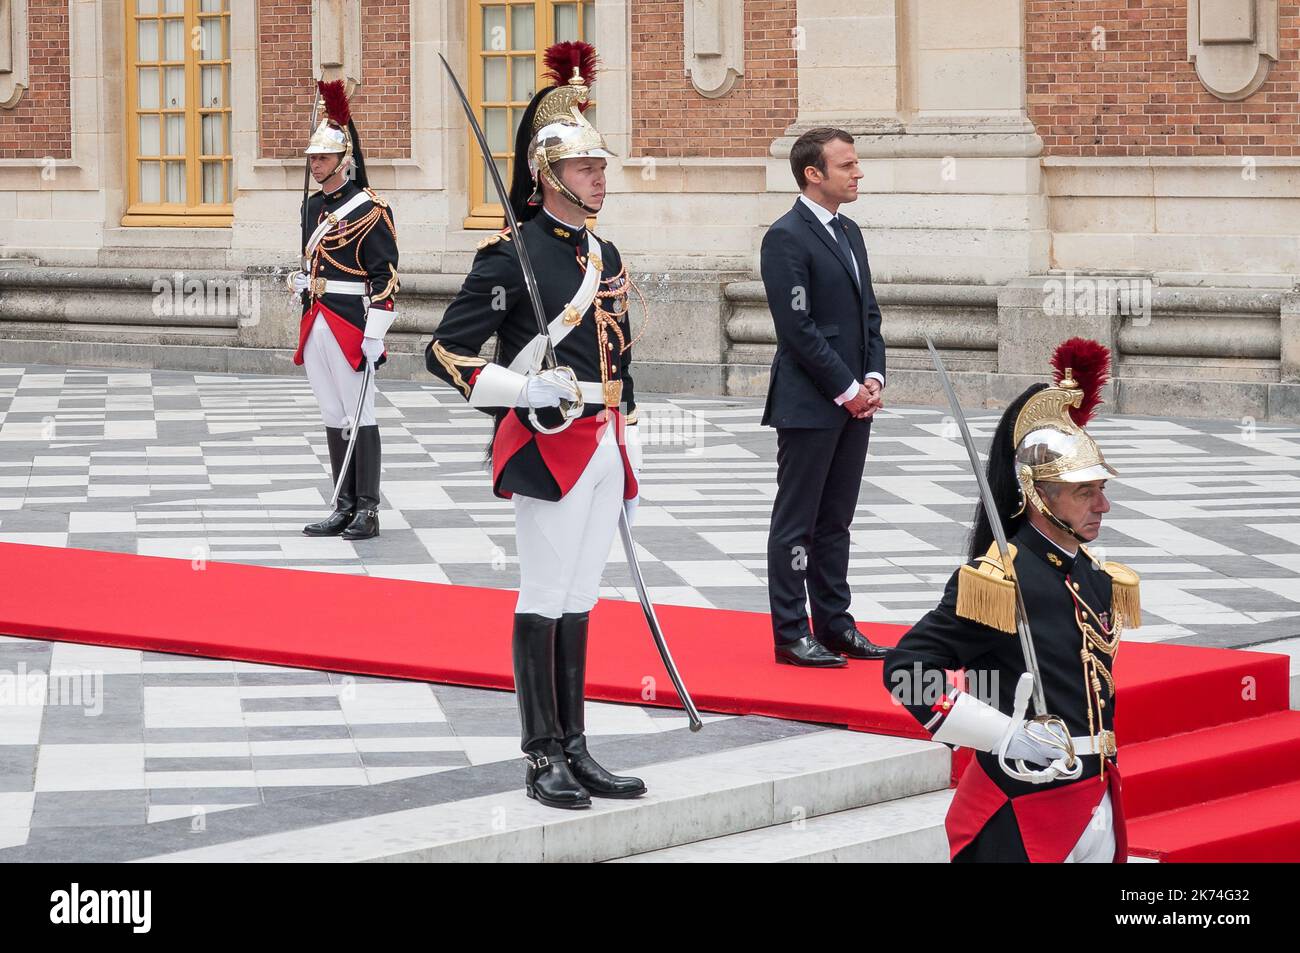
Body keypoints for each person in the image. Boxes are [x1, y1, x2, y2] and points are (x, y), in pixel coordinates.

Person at [427, 42, 648, 810]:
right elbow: (444, 353)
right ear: (548, 174)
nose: (600, 177)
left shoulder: (603, 251)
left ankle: (578, 746)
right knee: (544, 592)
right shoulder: (506, 256)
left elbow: (618, 348)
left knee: (583, 594)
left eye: (601, 166)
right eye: (586, 168)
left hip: (606, 437)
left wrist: (629, 427)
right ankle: (539, 753)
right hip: (548, 440)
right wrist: (526, 388)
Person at [883, 339, 1142, 863]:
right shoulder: (1000, 580)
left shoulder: (1095, 578)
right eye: (1084, 492)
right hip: (1021, 806)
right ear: (1039, 495)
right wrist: (1007, 735)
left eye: (1099, 488)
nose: (1103, 505)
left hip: (1096, 798)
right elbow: (907, 671)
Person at [760, 127, 889, 667]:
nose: (858, 173)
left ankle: (835, 624)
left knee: (837, 520)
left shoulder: (850, 230)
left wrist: (874, 378)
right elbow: (798, 327)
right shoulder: (785, 236)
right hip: (812, 402)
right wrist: (846, 389)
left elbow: (869, 315)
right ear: (814, 174)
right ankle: (792, 633)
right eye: (848, 165)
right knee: (799, 522)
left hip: (857, 399)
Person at [290, 79, 398, 541]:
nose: (316, 164)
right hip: (316, 318)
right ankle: (343, 502)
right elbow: (314, 259)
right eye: (313, 157)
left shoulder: (370, 209)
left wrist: (375, 332)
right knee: (333, 414)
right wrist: (302, 285)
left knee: (361, 415)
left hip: (352, 321)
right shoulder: (312, 206)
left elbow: (386, 276)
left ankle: (368, 510)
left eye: (324, 157)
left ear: (343, 160)